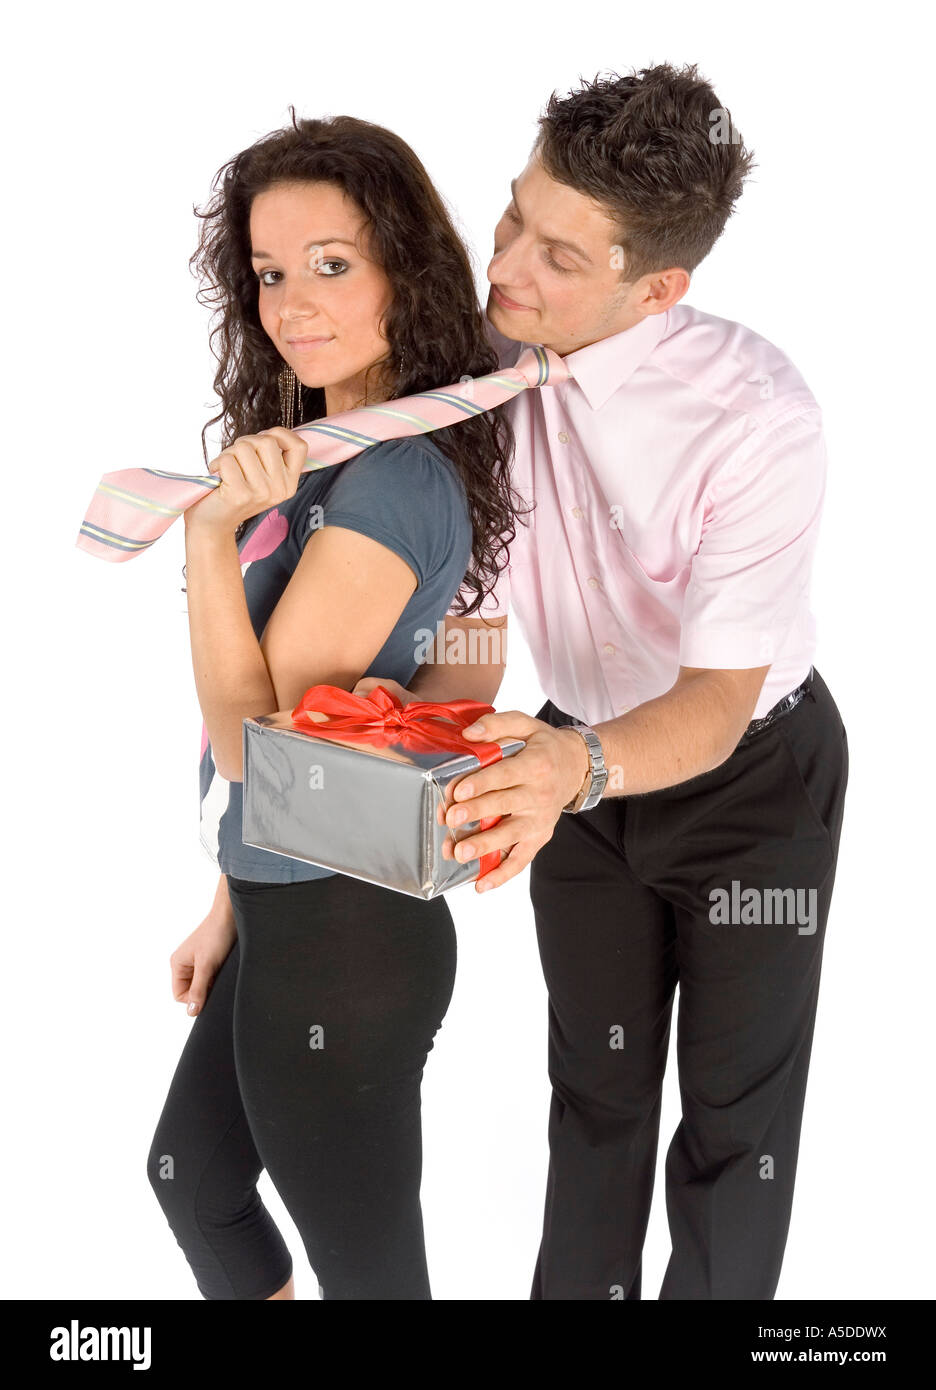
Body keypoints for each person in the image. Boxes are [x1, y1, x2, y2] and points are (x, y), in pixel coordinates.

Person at [358, 64, 849, 1299]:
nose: (508, 266)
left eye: (561, 257)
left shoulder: (758, 419)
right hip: (565, 760)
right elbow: (475, 615)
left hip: (750, 785)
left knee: (735, 1129)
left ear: (659, 286)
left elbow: (716, 702)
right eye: (514, 215)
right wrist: (419, 761)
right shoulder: (485, 369)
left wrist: (568, 768)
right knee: (594, 1098)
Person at [146, 109, 518, 1301]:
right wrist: (228, 905)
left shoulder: (398, 470)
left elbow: (260, 751)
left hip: (342, 941)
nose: (292, 303)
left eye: (331, 264)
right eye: (267, 272)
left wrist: (207, 540)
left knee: (370, 1277)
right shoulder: (327, 449)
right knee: (191, 1179)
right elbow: (426, 684)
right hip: (282, 909)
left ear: (405, 269)